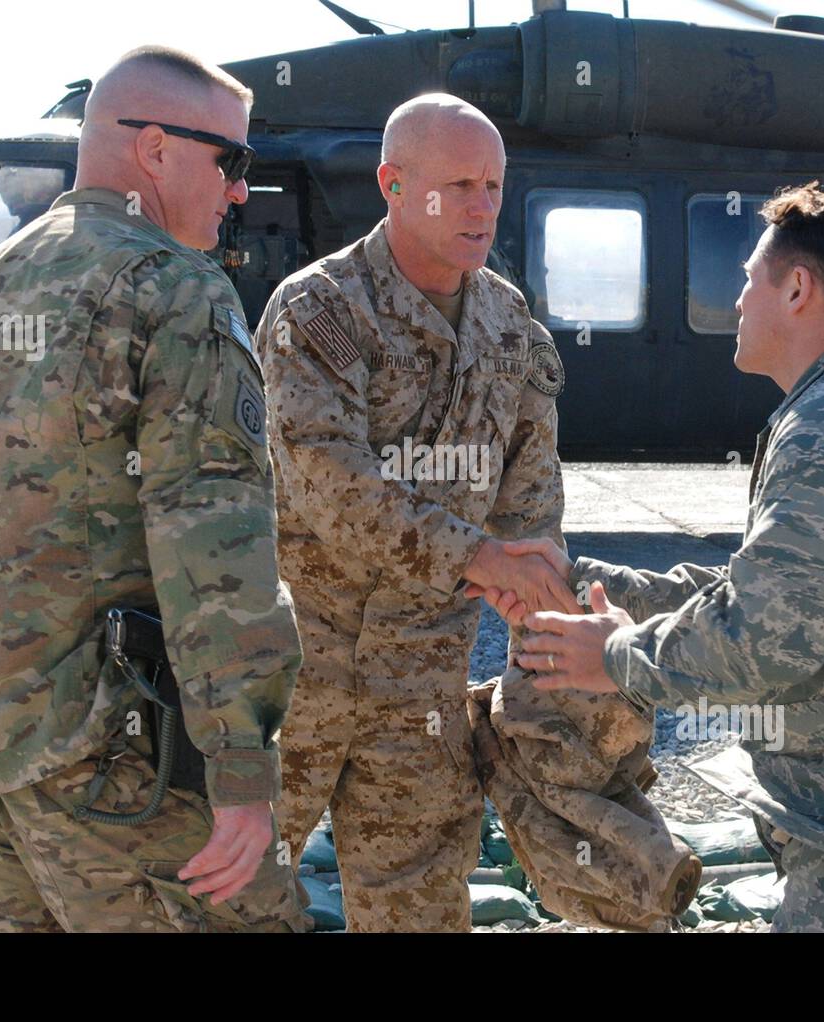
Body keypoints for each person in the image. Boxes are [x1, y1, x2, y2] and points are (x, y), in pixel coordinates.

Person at [477, 182, 824, 933]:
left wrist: (611, 657)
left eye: (747, 280)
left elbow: (768, 633)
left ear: (800, 288)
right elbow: (771, 587)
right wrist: (588, 586)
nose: (738, 301)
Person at [0, 45, 307, 932]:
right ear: (153, 148)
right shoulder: (173, 292)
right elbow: (214, 547)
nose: (238, 192)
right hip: (107, 774)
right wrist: (239, 773)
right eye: (232, 161)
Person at [252, 93, 576, 931]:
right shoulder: (318, 312)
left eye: (495, 186)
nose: (482, 207)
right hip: (294, 677)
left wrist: (541, 599)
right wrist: (479, 560)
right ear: (393, 185)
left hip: (421, 691)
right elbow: (329, 481)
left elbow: (531, 506)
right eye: (459, 185)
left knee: (421, 909)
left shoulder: (514, 330)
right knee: (229, 897)